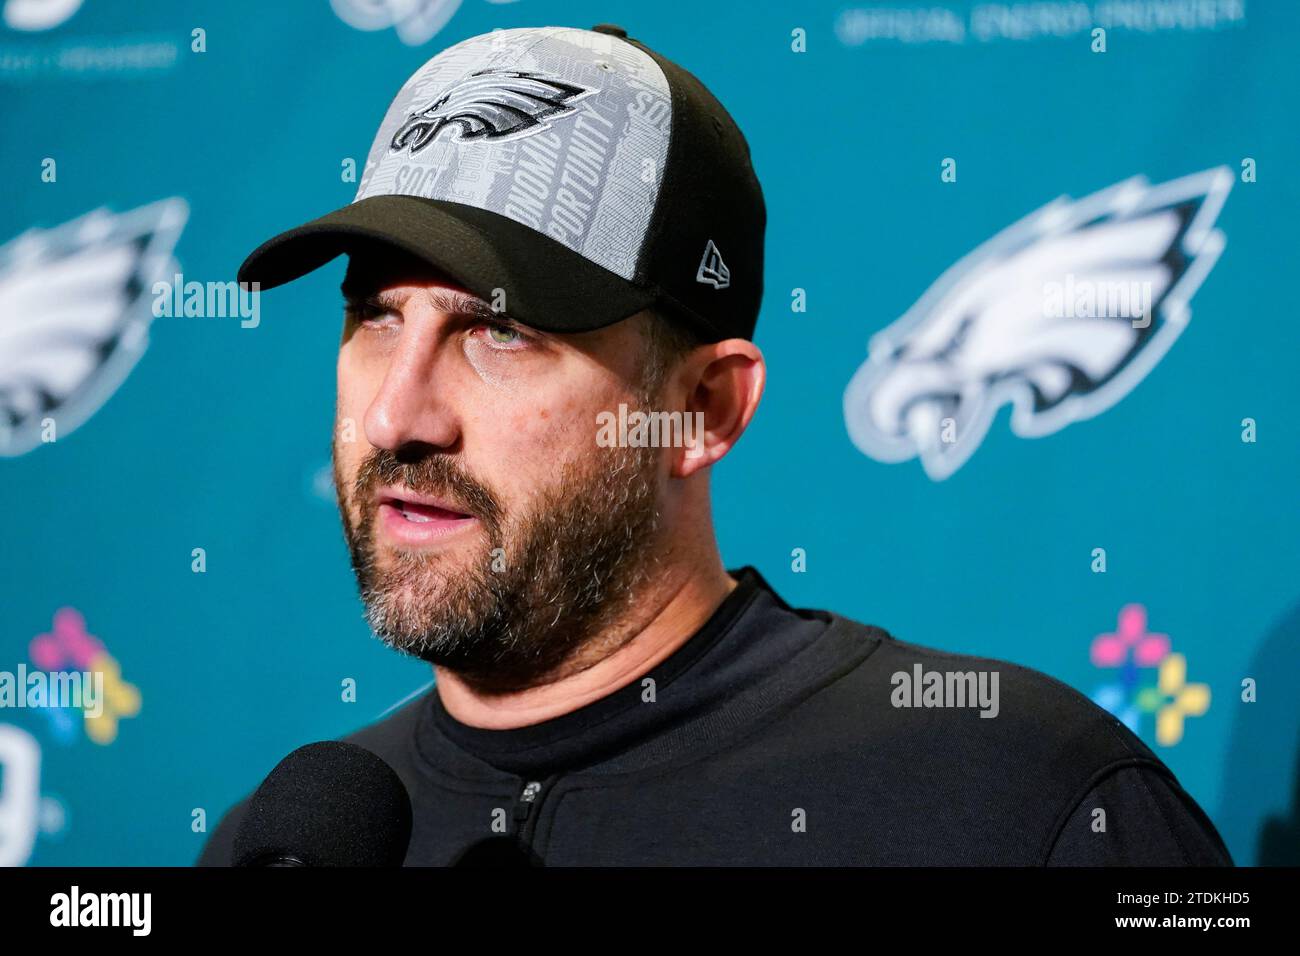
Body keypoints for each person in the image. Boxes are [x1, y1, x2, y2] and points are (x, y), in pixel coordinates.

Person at [197, 23, 1231, 866]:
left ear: (705, 407)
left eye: (498, 330)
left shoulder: (1023, 802)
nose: (396, 416)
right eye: (377, 316)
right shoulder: (282, 844)